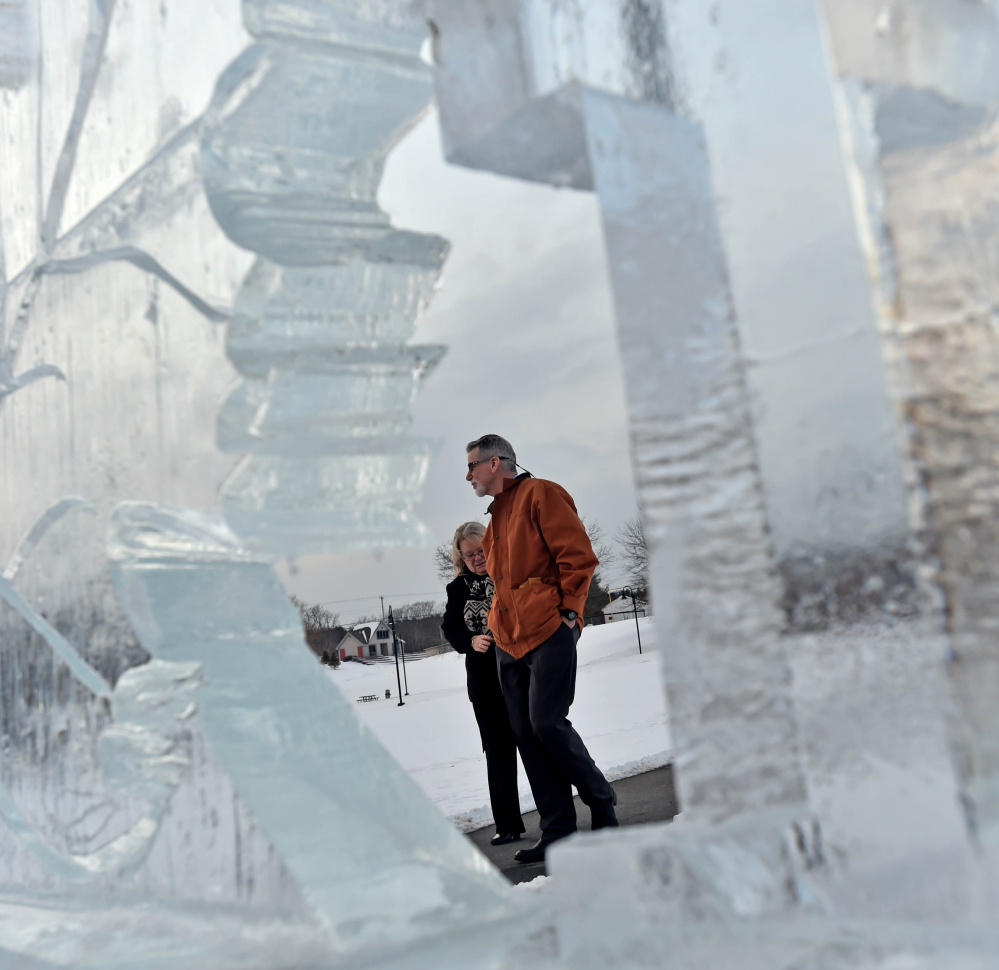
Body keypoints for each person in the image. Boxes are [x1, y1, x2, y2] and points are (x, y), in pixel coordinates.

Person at [465, 434, 618, 864]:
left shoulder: (541, 494)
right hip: (508, 642)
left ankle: (601, 798)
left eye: (472, 467)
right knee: (527, 736)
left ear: (495, 463)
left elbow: (579, 557)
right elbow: (504, 586)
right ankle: (558, 830)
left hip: (550, 628)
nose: (468, 476)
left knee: (547, 722)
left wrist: (571, 612)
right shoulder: (494, 523)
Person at [440, 521, 526, 846]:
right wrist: (470, 640)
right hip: (485, 684)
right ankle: (508, 825)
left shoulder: (506, 576)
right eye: (469, 554)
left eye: (481, 551)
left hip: (518, 673)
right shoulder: (457, 589)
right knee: (498, 752)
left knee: (537, 742)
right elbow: (449, 628)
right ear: (461, 558)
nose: (477, 558)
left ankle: (556, 814)